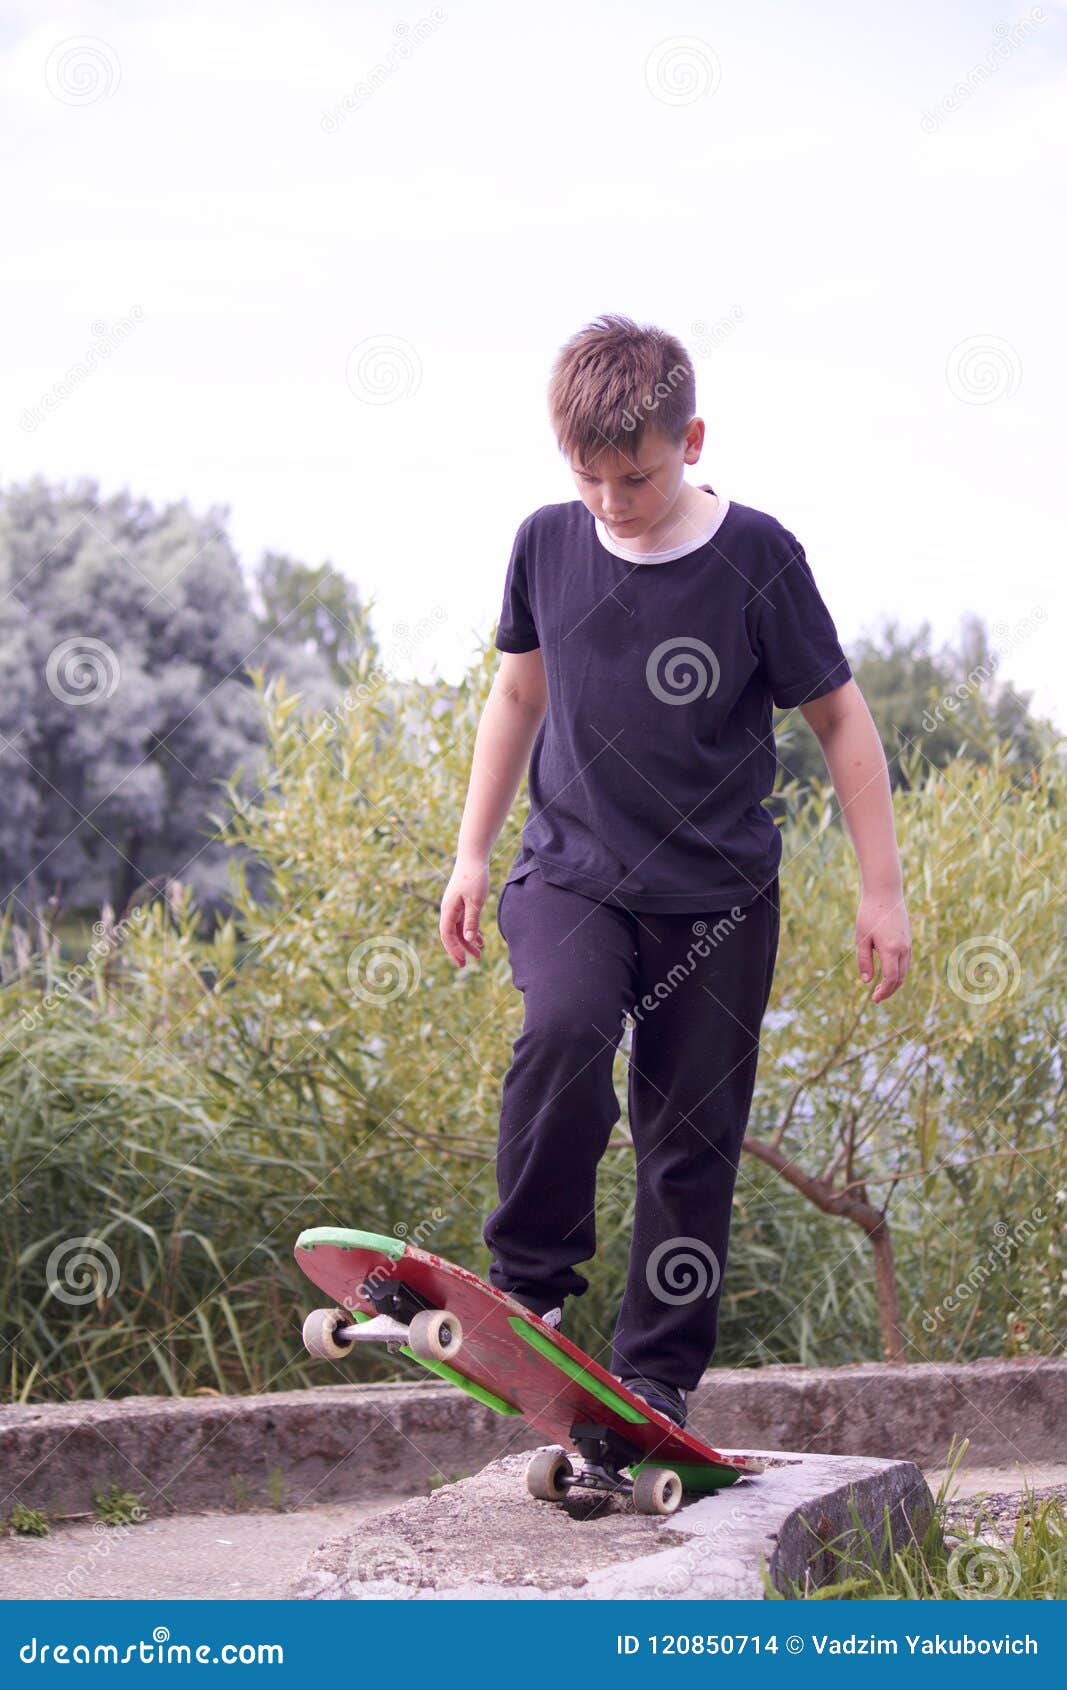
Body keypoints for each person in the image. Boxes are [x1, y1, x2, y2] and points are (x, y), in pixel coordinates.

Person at [438, 313, 911, 1428]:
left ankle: (652, 1381)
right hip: (571, 874)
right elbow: (517, 693)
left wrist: (880, 889)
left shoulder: (756, 558)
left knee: (688, 1144)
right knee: (564, 1030)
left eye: (635, 477)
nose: (609, 502)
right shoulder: (544, 542)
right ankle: (528, 1287)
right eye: (587, 478)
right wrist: (470, 853)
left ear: (690, 440)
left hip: (717, 900)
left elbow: (840, 720)